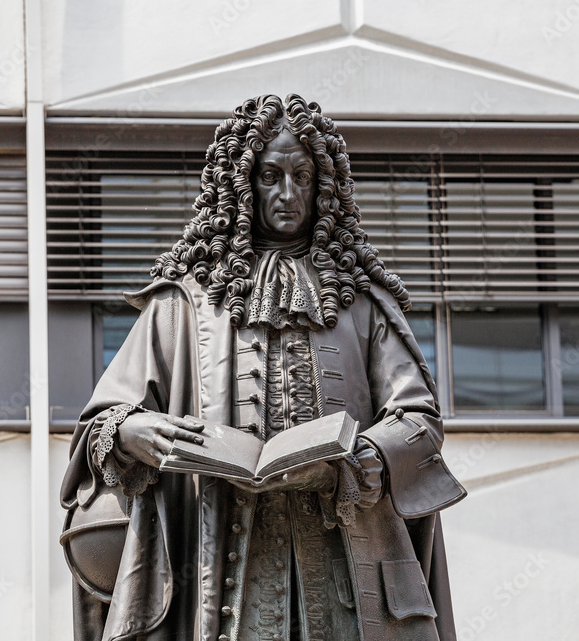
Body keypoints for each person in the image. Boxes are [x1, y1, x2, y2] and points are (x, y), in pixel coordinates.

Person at [60, 93, 466, 641]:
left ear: (323, 186)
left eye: (302, 176)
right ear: (242, 184)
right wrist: (135, 431)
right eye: (271, 175)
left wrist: (366, 457)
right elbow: (101, 423)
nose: (287, 193)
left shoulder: (361, 304)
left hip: (347, 564)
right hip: (219, 571)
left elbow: (417, 419)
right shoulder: (184, 303)